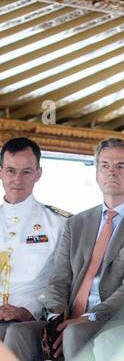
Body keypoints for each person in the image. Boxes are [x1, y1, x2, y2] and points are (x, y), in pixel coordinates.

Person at [2, 138, 124, 361]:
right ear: (97, 173)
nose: (112, 172)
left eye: (120, 166)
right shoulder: (77, 222)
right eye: (105, 165)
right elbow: (59, 277)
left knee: (74, 332)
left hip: (112, 318)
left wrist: (85, 318)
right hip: (67, 317)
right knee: (18, 333)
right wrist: (54, 317)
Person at [0, 137, 70, 342]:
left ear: (38, 174)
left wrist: (27, 310)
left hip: (29, 320)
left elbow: (63, 282)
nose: (17, 180)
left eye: (26, 172)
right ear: (1, 171)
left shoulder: (59, 223)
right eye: (11, 171)